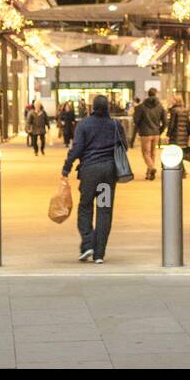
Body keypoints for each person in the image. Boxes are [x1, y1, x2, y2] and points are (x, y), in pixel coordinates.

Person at [62, 95, 121, 264]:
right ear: (108, 107)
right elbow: (122, 146)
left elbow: (77, 148)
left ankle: (88, 242)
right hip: (108, 173)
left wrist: (67, 167)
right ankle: (99, 253)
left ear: (92, 107)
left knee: (85, 207)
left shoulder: (84, 124)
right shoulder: (115, 125)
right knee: (104, 210)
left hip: (89, 172)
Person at [132, 87, 166, 180]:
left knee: (146, 153)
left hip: (145, 133)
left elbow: (136, 120)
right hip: (156, 133)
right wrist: (160, 131)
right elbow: (165, 121)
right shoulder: (160, 107)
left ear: (148, 94)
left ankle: (152, 168)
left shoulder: (141, 107)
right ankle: (149, 173)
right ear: (156, 94)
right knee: (153, 153)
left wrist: (139, 129)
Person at [166, 95, 190, 179]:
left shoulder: (174, 111)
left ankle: (182, 172)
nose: (171, 101)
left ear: (175, 101)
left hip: (175, 136)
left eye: (172, 99)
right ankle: (182, 171)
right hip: (183, 136)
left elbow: (172, 124)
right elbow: (189, 124)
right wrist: (189, 135)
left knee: (176, 154)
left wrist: (168, 135)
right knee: (179, 154)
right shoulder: (185, 110)